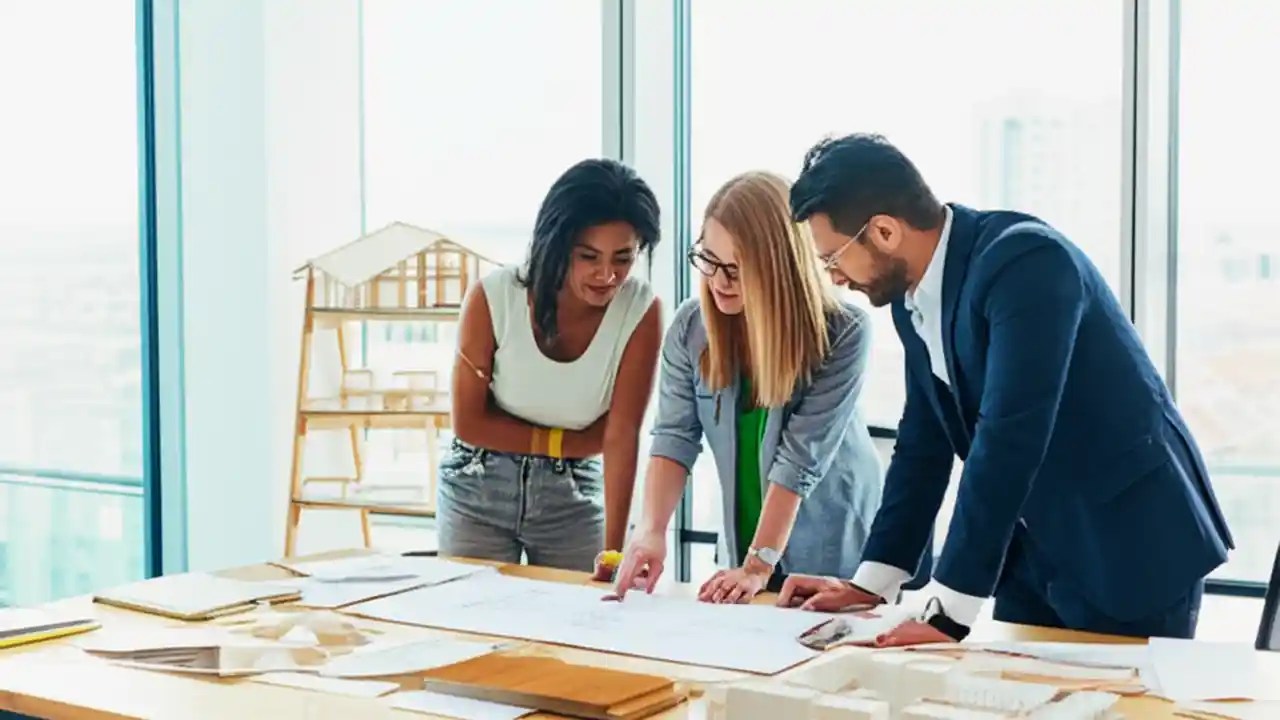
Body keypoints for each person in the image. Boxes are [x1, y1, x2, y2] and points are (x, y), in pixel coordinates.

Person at [777, 133, 1234, 642]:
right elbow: (923, 443)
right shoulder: (912, 298)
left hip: (1129, 546)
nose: (835, 278)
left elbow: (1010, 435)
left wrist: (948, 610)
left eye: (833, 258)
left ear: (883, 231)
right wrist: (874, 582)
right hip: (1033, 554)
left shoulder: (1026, 263)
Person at [611, 171, 884, 604]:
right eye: (709, 260)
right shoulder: (690, 328)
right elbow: (673, 438)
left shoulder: (843, 333)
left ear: (778, 269)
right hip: (747, 544)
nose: (719, 282)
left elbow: (800, 460)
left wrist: (760, 563)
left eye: (736, 271)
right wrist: (650, 531)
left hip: (832, 547)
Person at [439, 158, 663, 573]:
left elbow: (619, 436)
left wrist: (614, 553)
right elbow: (469, 423)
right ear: (556, 245)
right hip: (478, 480)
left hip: (574, 489)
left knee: (583, 621)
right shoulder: (492, 298)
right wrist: (569, 442)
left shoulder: (640, 310)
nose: (607, 275)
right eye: (588, 256)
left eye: (623, 258)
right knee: (474, 622)